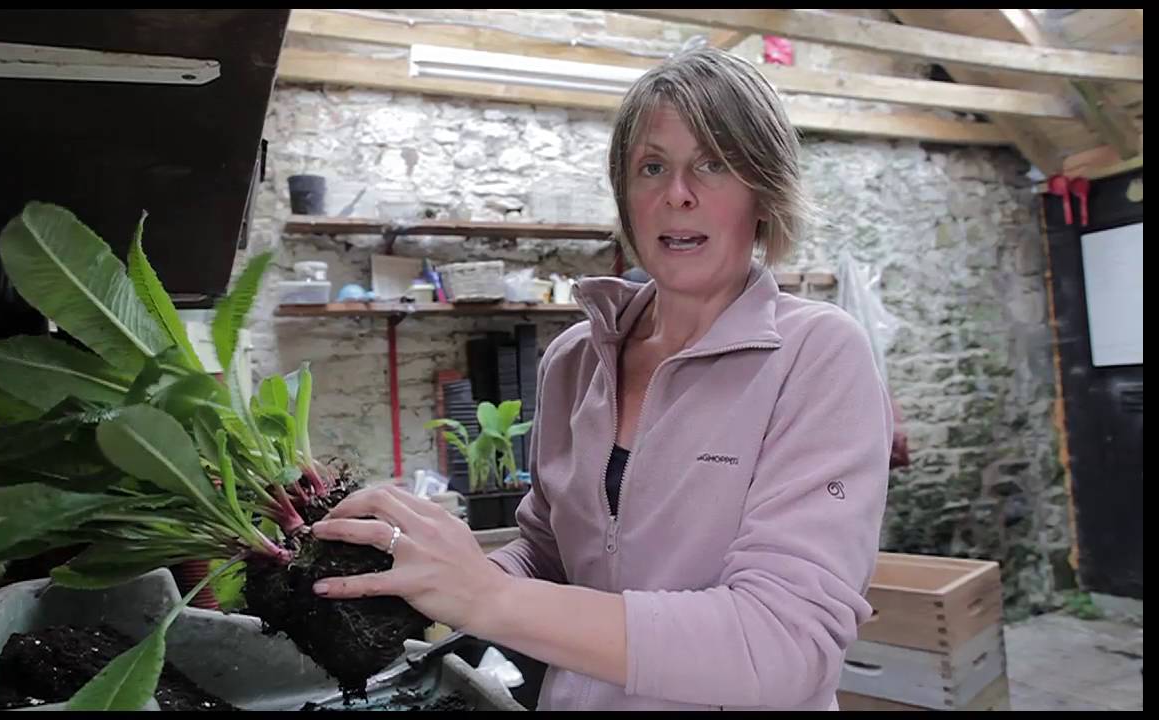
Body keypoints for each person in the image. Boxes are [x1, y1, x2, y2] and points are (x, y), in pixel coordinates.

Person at [308, 47, 893, 711]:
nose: (678, 193)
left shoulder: (816, 356)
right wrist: (427, 577)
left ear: (763, 193)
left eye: (714, 163)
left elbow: (784, 645)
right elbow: (549, 556)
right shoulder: (575, 360)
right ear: (627, 198)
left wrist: (490, 597)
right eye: (652, 166)